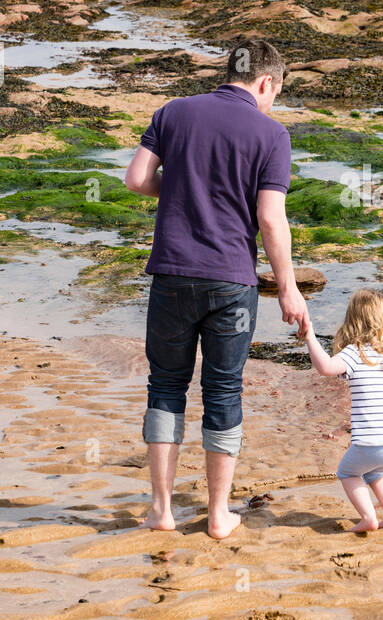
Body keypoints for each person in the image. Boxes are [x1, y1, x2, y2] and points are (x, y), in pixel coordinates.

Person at [123, 38, 308, 539]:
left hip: (171, 275)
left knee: (165, 387)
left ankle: (160, 510)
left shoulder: (173, 112)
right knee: (223, 390)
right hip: (231, 282)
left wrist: (182, 187)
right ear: (266, 82)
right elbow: (271, 220)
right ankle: (219, 515)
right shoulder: (272, 135)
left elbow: (137, 180)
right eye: (276, 93)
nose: (272, 103)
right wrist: (288, 288)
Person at [298, 289, 383, 533]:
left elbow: (326, 367)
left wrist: (310, 337)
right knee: (375, 472)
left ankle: (368, 518)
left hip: (373, 441)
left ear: (353, 322)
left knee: (348, 472)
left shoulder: (355, 353)